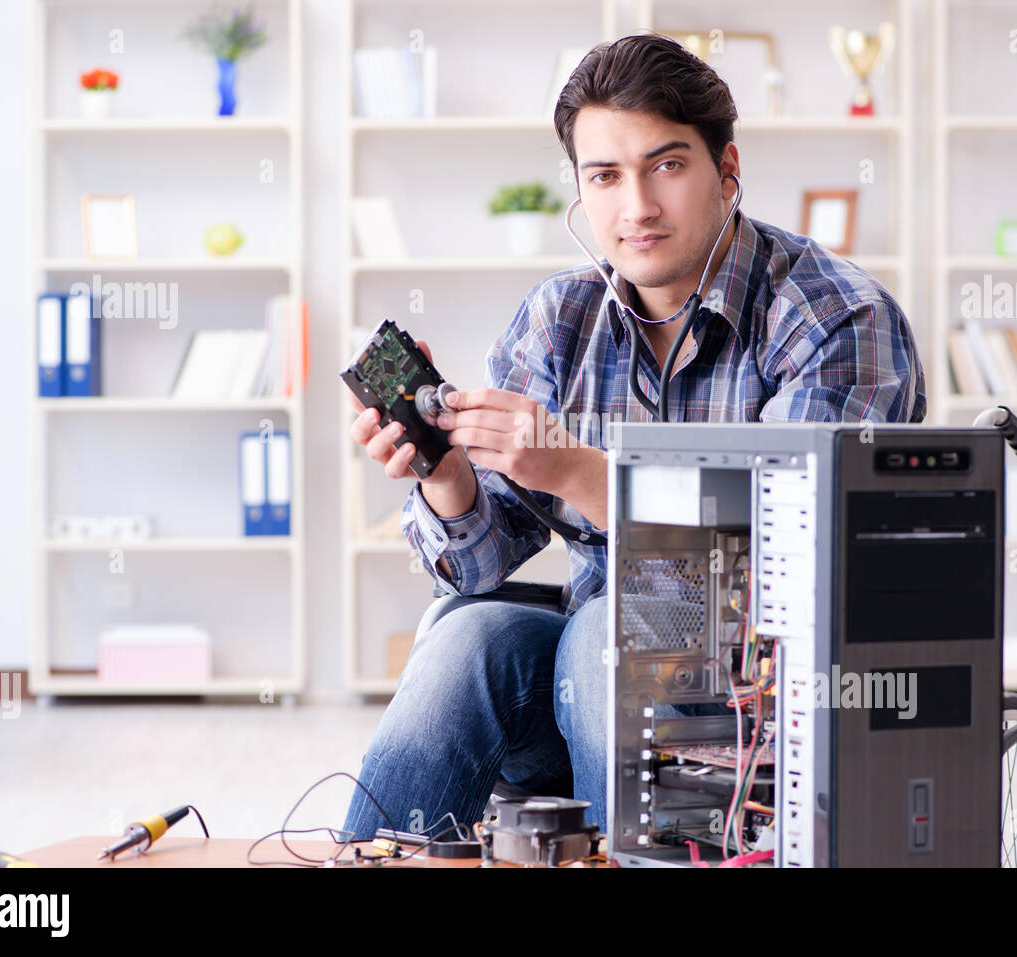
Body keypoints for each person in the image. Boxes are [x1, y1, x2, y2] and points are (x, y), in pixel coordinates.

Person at [340, 33, 926, 842]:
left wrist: (585, 475)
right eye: (605, 176)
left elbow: (797, 561)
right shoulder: (559, 321)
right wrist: (445, 474)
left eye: (668, 165)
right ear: (579, 189)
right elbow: (475, 568)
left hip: (775, 707)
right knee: (470, 635)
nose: (637, 206)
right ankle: (365, 859)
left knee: (605, 627)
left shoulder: (835, 320)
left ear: (727, 170)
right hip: (593, 702)